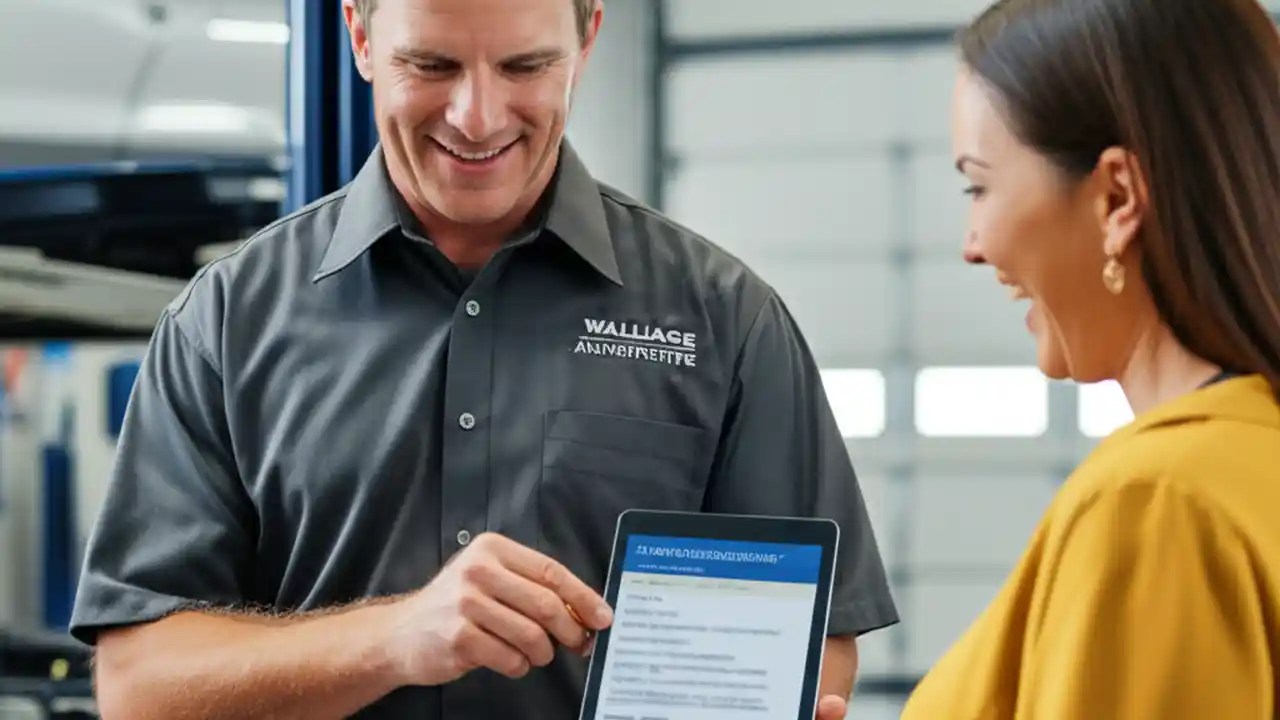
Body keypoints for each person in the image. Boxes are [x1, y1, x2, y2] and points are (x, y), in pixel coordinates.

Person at [69, 0, 899, 717]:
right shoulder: (225, 324)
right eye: (430, 64)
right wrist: (394, 638)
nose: (477, 115)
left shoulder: (725, 320)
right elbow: (140, 688)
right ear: (359, 35)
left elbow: (811, 644)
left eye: (526, 65)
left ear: (588, 39)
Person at [903, 0, 1280, 716]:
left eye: (978, 185)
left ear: (1116, 197)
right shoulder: (1247, 464)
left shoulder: (1157, 501)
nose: (972, 244)